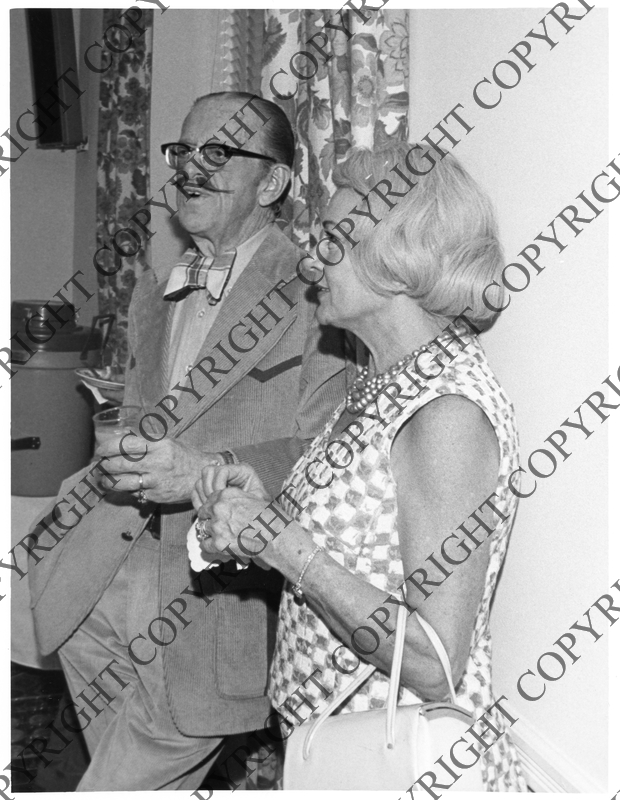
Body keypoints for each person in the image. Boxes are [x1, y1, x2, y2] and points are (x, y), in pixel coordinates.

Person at [28, 91, 346, 791]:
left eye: (219, 152)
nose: (192, 169)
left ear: (273, 183)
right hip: (96, 585)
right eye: (184, 151)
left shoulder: (320, 293)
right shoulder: (154, 290)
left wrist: (207, 467)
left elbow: (332, 453)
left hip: (209, 600)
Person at [191, 141, 528, 791]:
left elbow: (434, 664)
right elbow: (363, 542)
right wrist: (265, 510)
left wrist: (280, 541)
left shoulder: (447, 416)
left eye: (333, 241)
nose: (312, 260)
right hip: (335, 752)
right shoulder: (384, 380)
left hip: (399, 767)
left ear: (396, 265)